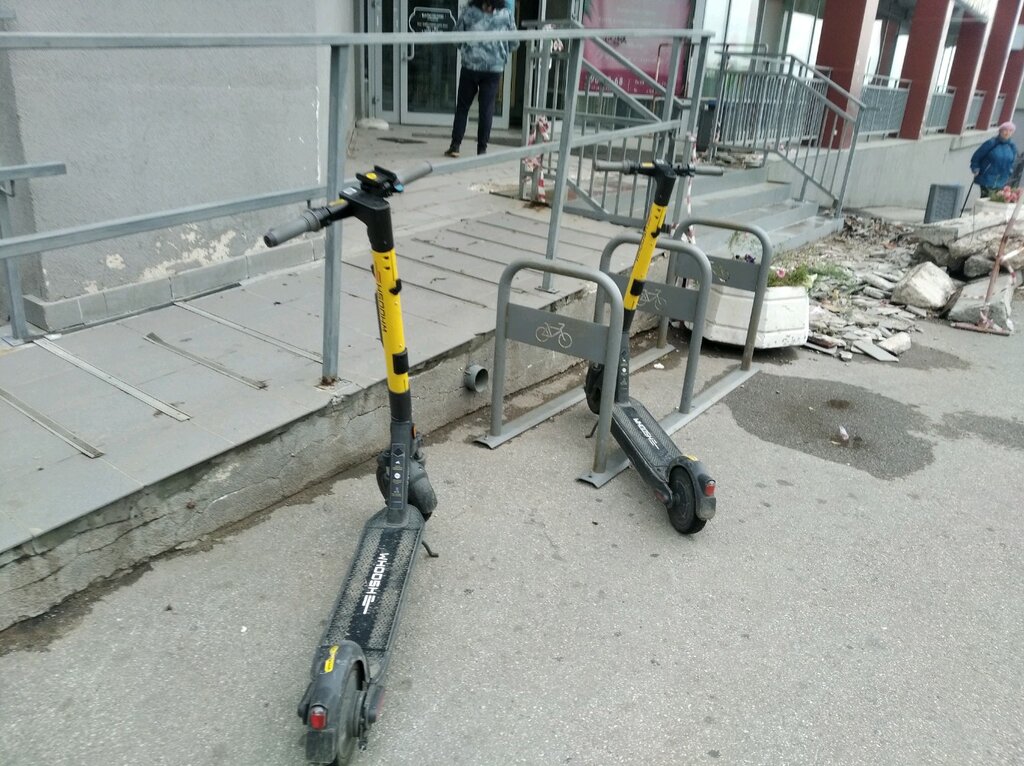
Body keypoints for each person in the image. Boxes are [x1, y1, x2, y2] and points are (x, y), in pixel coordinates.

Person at [444, 0, 518, 158]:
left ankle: (455, 145)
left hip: (470, 66)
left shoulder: (469, 11)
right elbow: (514, 43)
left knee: (463, 107)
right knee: (486, 109)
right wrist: (499, 52)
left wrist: (468, 49)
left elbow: (456, 38)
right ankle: (482, 149)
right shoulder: (506, 14)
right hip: (494, 68)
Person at [970, 121, 1019, 198]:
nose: (1007, 133)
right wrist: (975, 168)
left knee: (994, 199)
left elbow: (1012, 161)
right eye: (1005, 130)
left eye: (1010, 131)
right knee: (987, 198)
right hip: (987, 177)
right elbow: (977, 156)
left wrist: (1010, 171)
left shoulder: (1012, 146)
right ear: (1000, 131)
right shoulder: (991, 143)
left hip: (1001, 179)